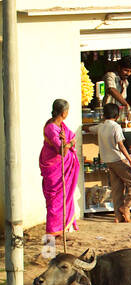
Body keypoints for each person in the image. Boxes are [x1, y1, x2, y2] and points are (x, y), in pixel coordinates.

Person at [40, 99, 80, 239]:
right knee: (55, 202)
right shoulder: (51, 128)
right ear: (64, 113)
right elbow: (62, 151)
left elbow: (69, 137)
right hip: (55, 169)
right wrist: (69, 144)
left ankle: (61, 229)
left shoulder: (60, 125)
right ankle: (52, 232)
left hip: (63, 168)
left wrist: (68, 142)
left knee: (63, 199)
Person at [96, 103, 131, 222]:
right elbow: (121, 145)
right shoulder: (115, 126)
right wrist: (130, 161)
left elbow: (88, 128)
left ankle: (118, 217)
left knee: (117, 189)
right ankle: (125, 207)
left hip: (108, 161)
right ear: (117, 115)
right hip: (118, 159)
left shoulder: (101, 126)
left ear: (103, 115)